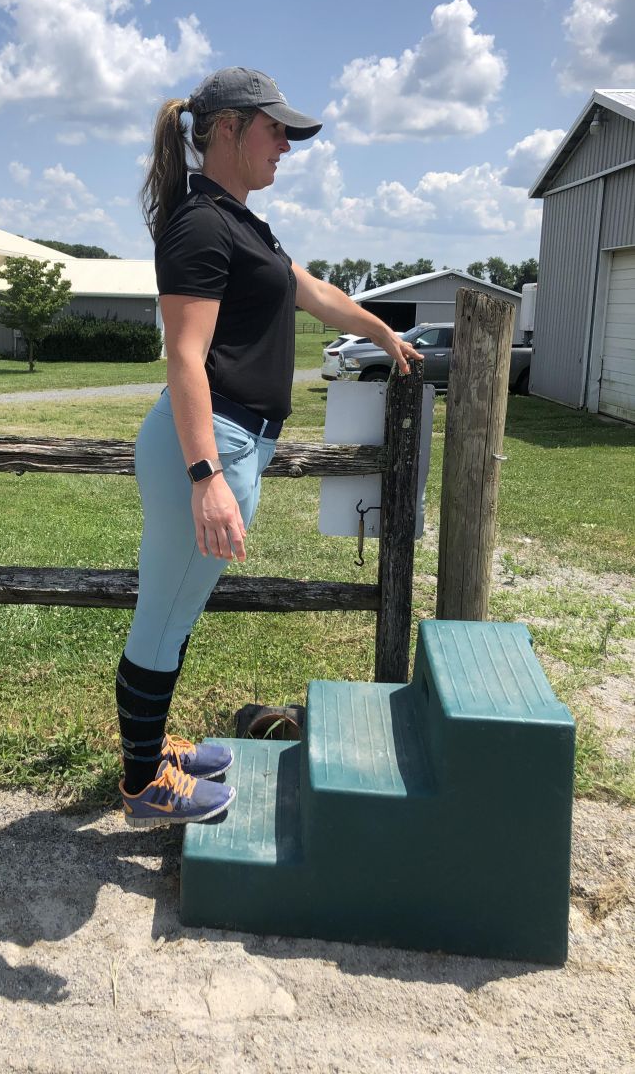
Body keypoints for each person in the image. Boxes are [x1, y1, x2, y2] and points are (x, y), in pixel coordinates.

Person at [117, 67, 422, 828]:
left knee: (177, 612)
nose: (286, 145)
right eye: (274, 129)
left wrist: (380, 328)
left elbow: (309, 290)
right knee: (161, 616)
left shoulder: (238, 219)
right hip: (209, 442)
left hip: (230, 441)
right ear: (227, 128)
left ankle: (153, 756)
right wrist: (205, 477)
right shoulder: (200, 223)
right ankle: (141, 785)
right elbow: (184, 356)